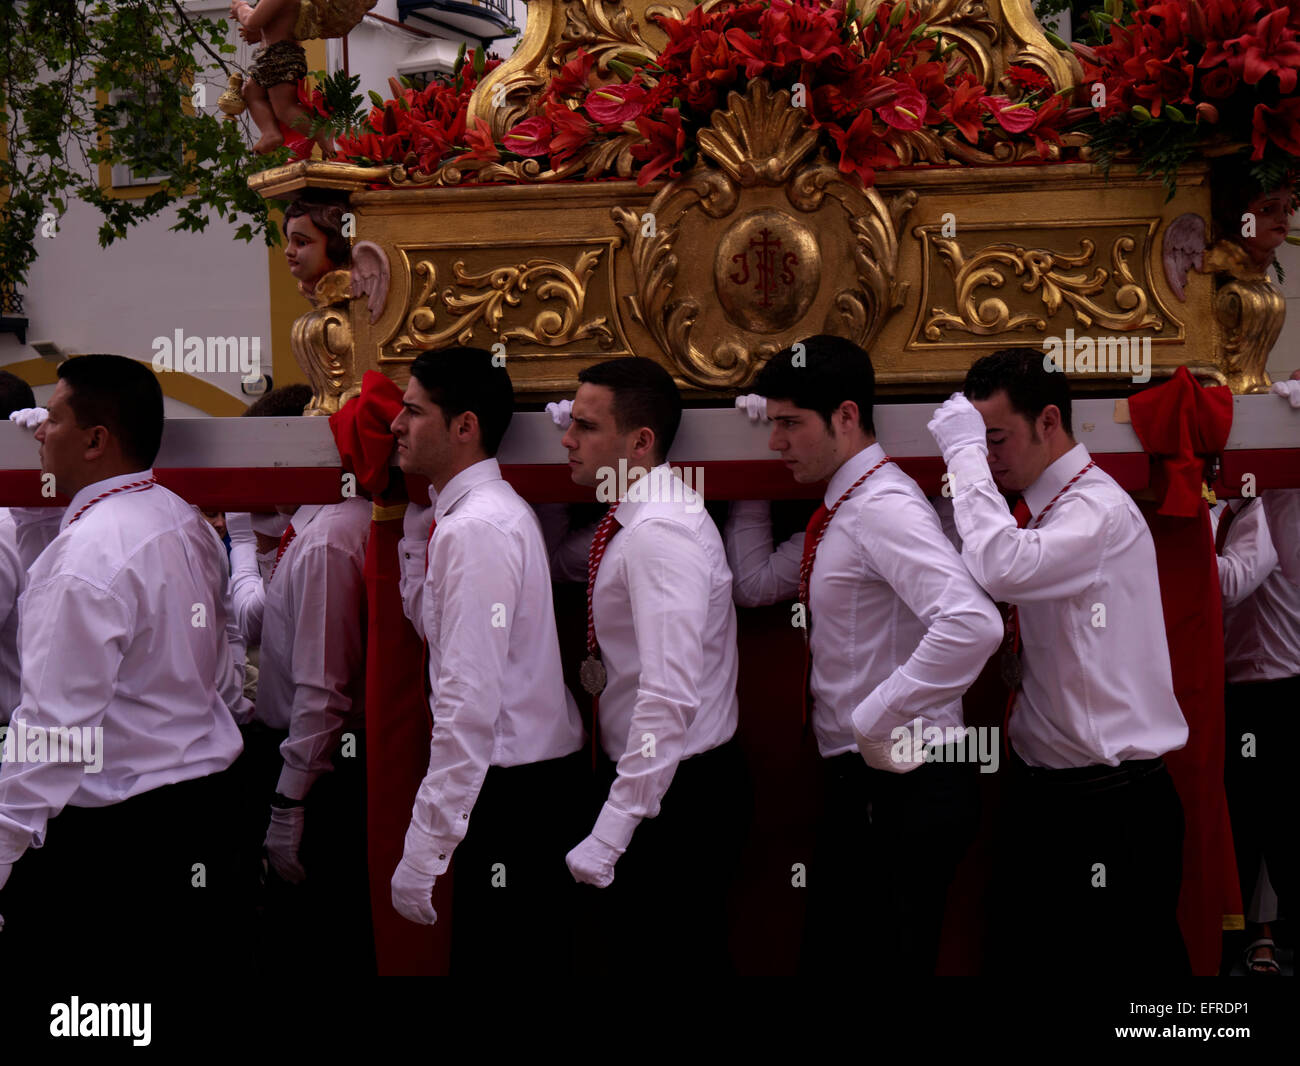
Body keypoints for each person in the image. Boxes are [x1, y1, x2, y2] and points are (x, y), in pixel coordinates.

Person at [726, 335, 1003, 975]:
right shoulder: (847, 508)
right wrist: (743, 468)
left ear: (846, 417)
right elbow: (752, 583)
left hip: (909, 777)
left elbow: (971, 624)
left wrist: (877, 718)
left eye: (790, 424)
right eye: (775, 425)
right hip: (876, 781)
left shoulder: (881, 508)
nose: (777, 441)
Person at [928, 346, 1190, 975]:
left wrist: (962, 457)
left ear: (1049, 421)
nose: (989, 456)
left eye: (996, 439)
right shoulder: (1037, 511)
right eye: (980, 442)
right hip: (1045, 796)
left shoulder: (1095, 510)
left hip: (1113, 804)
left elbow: (1001, 565)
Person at [0, 354, 250, 973]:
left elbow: (57, 734)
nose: (38, 431)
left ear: (95, 439)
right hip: (200, 805)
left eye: (53, 417)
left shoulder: (88, 557)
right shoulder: (178, 516)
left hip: (126, 838)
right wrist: (42, 515)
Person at [389, 346, 587, 974]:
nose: (396, 425)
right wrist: (415, 542)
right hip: (519, 786)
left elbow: (466, 705)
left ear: (464, 427)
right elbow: (443, 633)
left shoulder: (477, 527)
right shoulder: (473, 519)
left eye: (413, 412)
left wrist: (425, 848)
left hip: (513, 796)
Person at [550, 356, 748, 975]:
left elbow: (667, 695)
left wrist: (613, 829)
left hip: (676, 794)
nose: (566, 439)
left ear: (640, 442)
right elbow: (564, 560)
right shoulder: (633, 517)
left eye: (584, 426)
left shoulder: (659, 534)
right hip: (661, 783)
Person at [1215, 488, 1299, 975]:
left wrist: (1166, 549)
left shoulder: (1265, 511)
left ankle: (1253, 939)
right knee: (1252, 823)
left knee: (1274, 827)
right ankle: (1243, 938)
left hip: (1271, 692)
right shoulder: (1229, 511)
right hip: (1247, 688)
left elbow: (1233, 581)